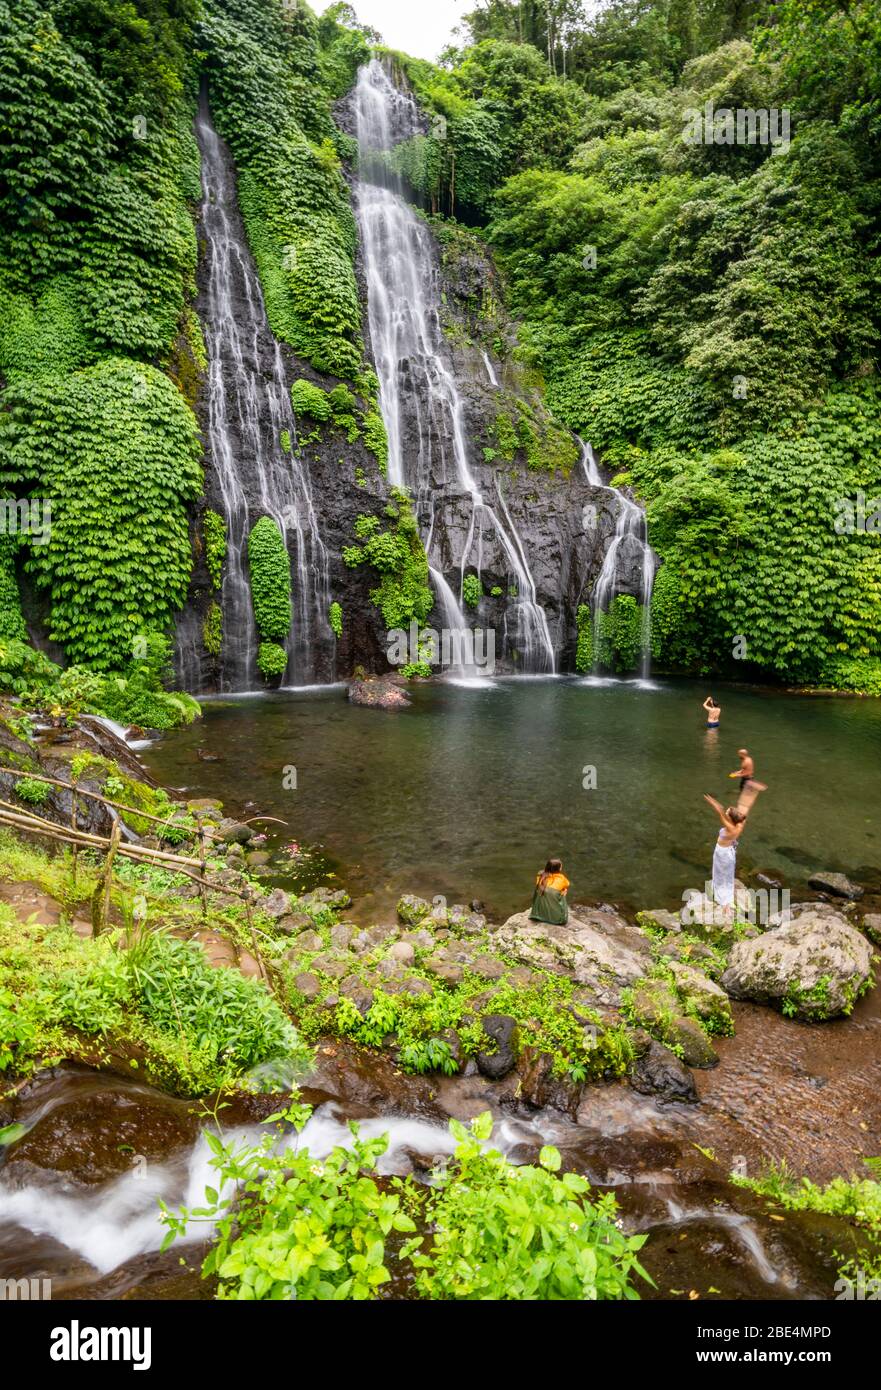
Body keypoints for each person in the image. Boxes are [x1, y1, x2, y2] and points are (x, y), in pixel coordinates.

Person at [703, 794, 747, 923]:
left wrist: (715, 804)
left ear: (730, 817)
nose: (727, 812)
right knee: (727, 875)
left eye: (728, 812)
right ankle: (726, 902)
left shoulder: (731, 827)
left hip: (722, 853)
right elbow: (740, 812)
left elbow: (720, 813)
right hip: (729, 852)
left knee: (720, 874)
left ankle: (725, 904)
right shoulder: (739, 825)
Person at [530, 857, 570, 926]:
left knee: (542, 890)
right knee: (564, 890)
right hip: (557, 920)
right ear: (558, 869)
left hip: (537, 915)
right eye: (561, 867)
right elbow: (567, 884)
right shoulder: (561, 878)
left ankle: (540, 912)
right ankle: (558, 915)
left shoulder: (540, 875)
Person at [728, 748, 767, 815]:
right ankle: (754, 788)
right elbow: (744, 769)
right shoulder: (747, 759)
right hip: (745, 779)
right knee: (742, 791)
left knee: (745, 795)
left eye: (739, 754)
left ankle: (742, 810)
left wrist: (737, 775)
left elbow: (749, 772)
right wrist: (737, 772)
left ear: (743, 754)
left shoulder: (747, 762)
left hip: (747, 779)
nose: (738, 755)